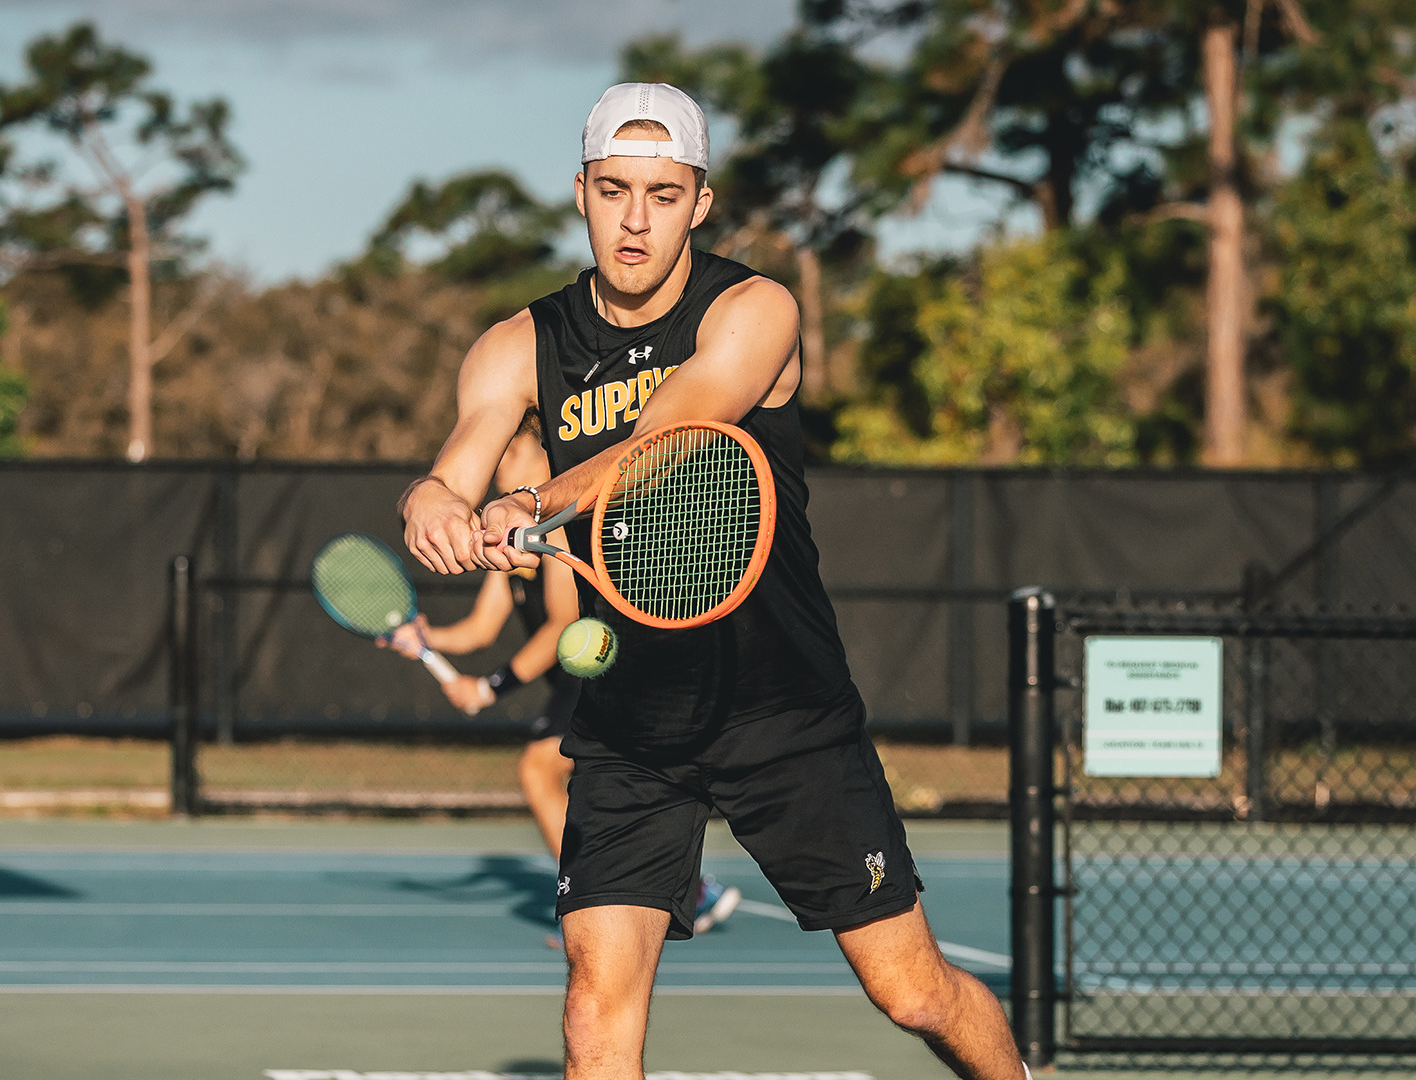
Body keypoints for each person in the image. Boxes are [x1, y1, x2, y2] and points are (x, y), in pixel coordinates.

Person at [400, 82, 1028, 1080]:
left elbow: (667, 441)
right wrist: (434, 502)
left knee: (911, 992)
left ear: (701, 201)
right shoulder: (520, 343)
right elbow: (462, 456)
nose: (636, 218)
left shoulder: (752, 310)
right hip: (632, 723)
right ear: (580, 194)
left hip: (782, 711)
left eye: (663, 192)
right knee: (595, 1007)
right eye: (614, 190)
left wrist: (530, 505)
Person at [387, 424, 742, 947]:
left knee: (539, 771)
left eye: (512, 452)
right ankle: (682, 890)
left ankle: (603, 902)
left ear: (543, 454)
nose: (500, 466)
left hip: (605, 671)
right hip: (576, 684)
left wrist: (488, 689)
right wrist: (424, 635)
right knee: (603, 789)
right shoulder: (508, 533)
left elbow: (559, 626)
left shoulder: (556, 526)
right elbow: (482, 627)